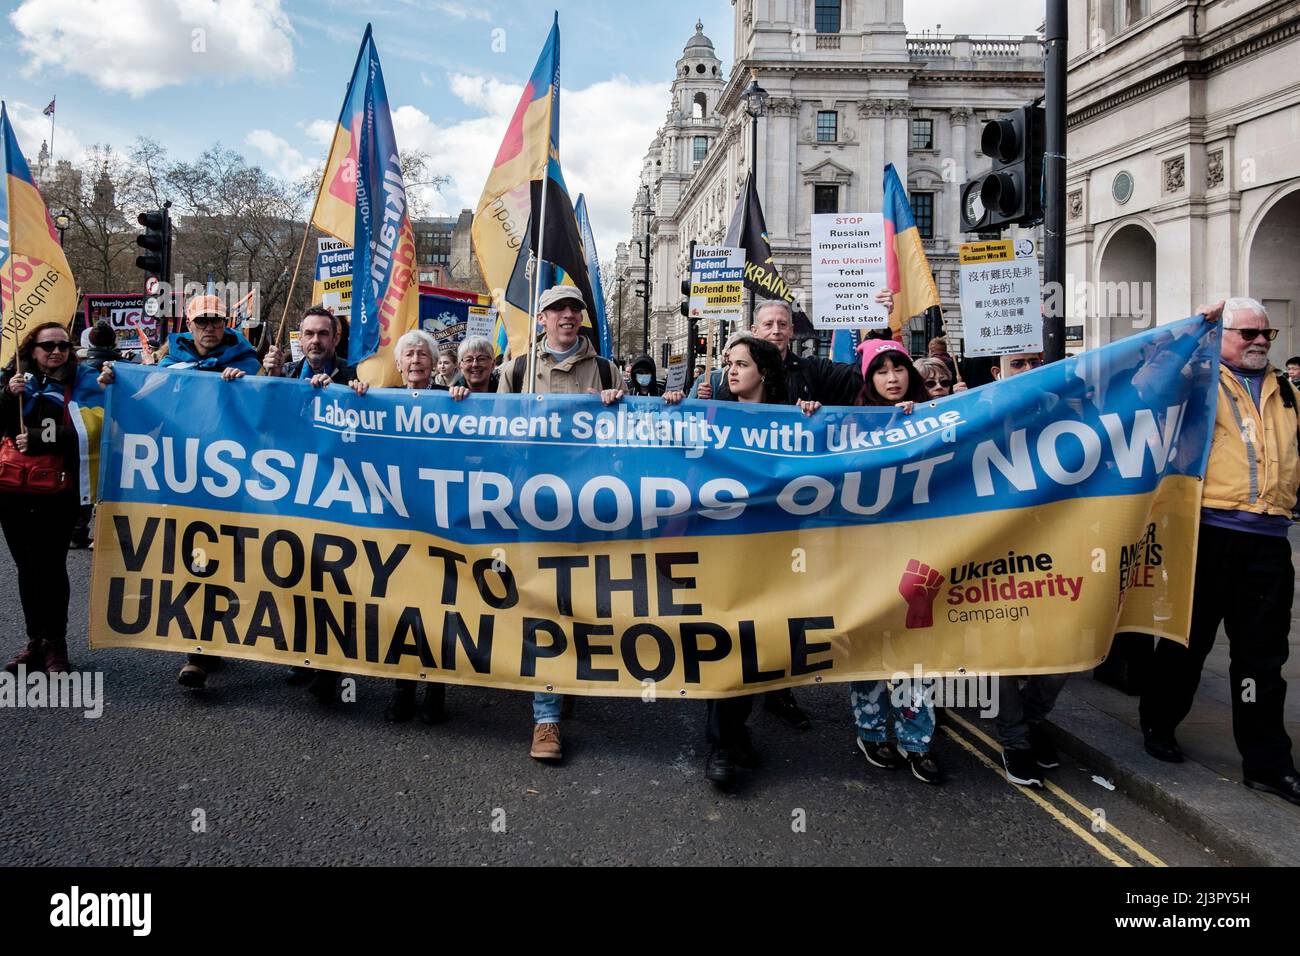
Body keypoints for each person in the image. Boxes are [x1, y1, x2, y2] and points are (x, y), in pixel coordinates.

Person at [1140, 298, 1300, 806]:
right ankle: (1159, 724)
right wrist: (1194, 330)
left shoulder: (1288, 391)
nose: (1258, 341)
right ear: (1221, 335)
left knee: (1262, 660)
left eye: (1266, 334)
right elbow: (1144, 387)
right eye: (1247, 332)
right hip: (1207, 536)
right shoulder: (1197, 380)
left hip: (1270, 541)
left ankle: (1267, 762)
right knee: (1188, 644)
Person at [98, 295, 261, 690]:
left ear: (227, 324)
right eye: (202, 321)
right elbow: (139, 406)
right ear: (189, 325)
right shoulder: (170, 366)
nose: (209, 328)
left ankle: (209, 642)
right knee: (195, 563)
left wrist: (251, 387)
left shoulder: (246, 364)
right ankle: (198, 650)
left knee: (224, 566)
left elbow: (267, 414)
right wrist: (112, 382)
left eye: (217, 321)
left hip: (234, 484)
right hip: (184, 481)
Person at [496, 285, 625, 761]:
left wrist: (618, 407)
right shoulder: (517, 371)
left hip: (589, 509)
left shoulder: (608, 371)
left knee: (584, 599)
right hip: (533, 507)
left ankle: (570, 674)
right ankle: (546, 718)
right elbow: (494, 439)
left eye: (575, 308)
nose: (567, 315)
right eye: (557, 309)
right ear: (542, 319)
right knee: (542, 603)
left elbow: (627, 445)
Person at [841, 340, 943, 784]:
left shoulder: (937, 416)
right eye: (881, 371)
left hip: (919, 550)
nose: (892, 377)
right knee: (870, 643)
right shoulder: (850, 424)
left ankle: (917, 740)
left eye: (898, 368)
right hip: (868, 552)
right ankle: (871, 730)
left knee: (912, 647)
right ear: (869, 380)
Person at [980, 346, 1068, 787]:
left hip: (1053, 552)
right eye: (1019, 364)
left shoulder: (1067, 413)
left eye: (1037, 362)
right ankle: (1015, 740)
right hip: (990, 555)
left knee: (1062, 655)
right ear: (997, 373)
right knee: (1000, 654)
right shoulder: (972, 415)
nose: (1030, 371)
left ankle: (1032, 721)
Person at [351, 329, 448, 725]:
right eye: (408, 354)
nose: (415, 361)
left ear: (433, 362)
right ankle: (402, 689)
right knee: (401, 609)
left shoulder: (452, 401)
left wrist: (464, 402)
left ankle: (437, 690)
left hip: (440, 525)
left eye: (422, 354)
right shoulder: (379, 401)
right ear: (398, 363)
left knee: (439, 610)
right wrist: (351, 397)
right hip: (394, 527)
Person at [1, 322, 105, 675]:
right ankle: (36, 642)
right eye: (48, 346)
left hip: (59, 491)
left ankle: (56, 644)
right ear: (32, 349)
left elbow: (95, 425)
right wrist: (5, 394)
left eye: (63, 345)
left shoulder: (85, 379)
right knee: (27, 568)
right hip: (13, 490)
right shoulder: (13, 378)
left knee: (51, 566)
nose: (57, 351)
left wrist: (41, 437)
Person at [261, 305, 358, 386]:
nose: (315, 340)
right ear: (300, 339)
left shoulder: (354, 375)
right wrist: (272, 378)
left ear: (336, 339)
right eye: (309, 333)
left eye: (323, 333)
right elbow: (264, 405)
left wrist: (336, 394)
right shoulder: (286, 372)